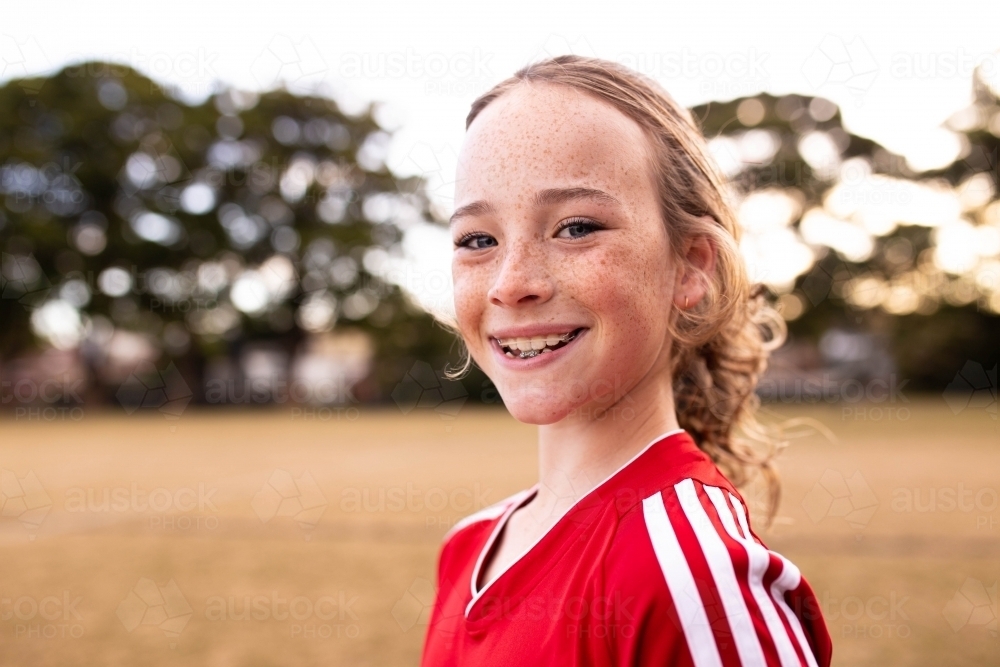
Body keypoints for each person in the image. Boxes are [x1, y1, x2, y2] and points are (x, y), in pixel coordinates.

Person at [420, 55, 832, 667]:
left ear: (691, 266)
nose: (512, 284)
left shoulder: (694, 579)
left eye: (577, 227)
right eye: (478, 239)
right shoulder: (468, 546)